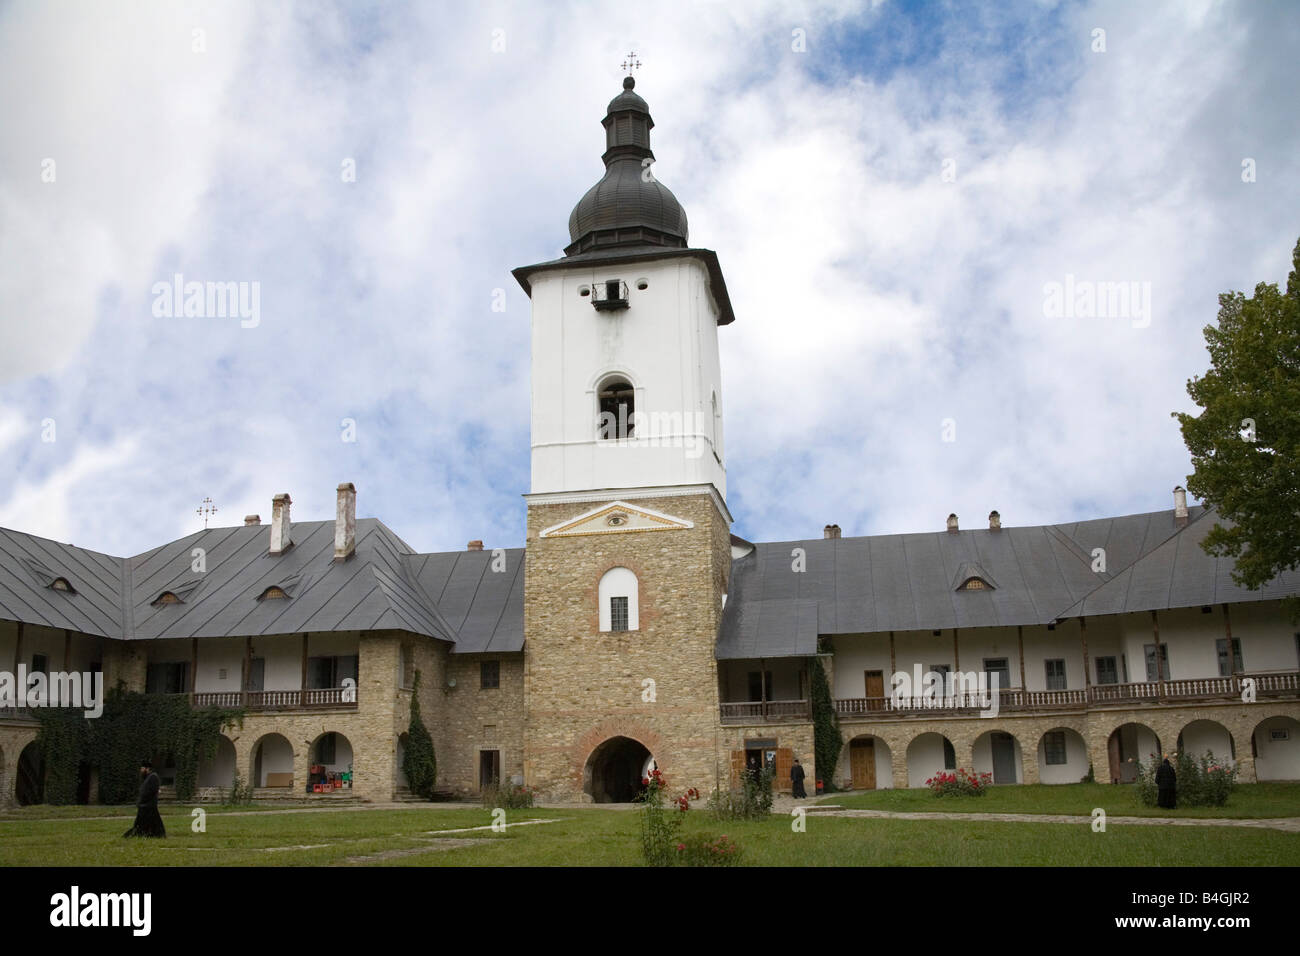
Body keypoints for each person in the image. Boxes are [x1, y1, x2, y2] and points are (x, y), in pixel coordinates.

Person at [123, 758, 166, 838]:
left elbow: (151, 792)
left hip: (149, 806)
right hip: (145, 806)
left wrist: (142, 801)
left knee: (151, 824)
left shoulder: (153, 777)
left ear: (147, 769)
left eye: (142, 768)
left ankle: (152, 835)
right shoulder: (148, 777)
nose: (141, 770)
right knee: (142, 824)